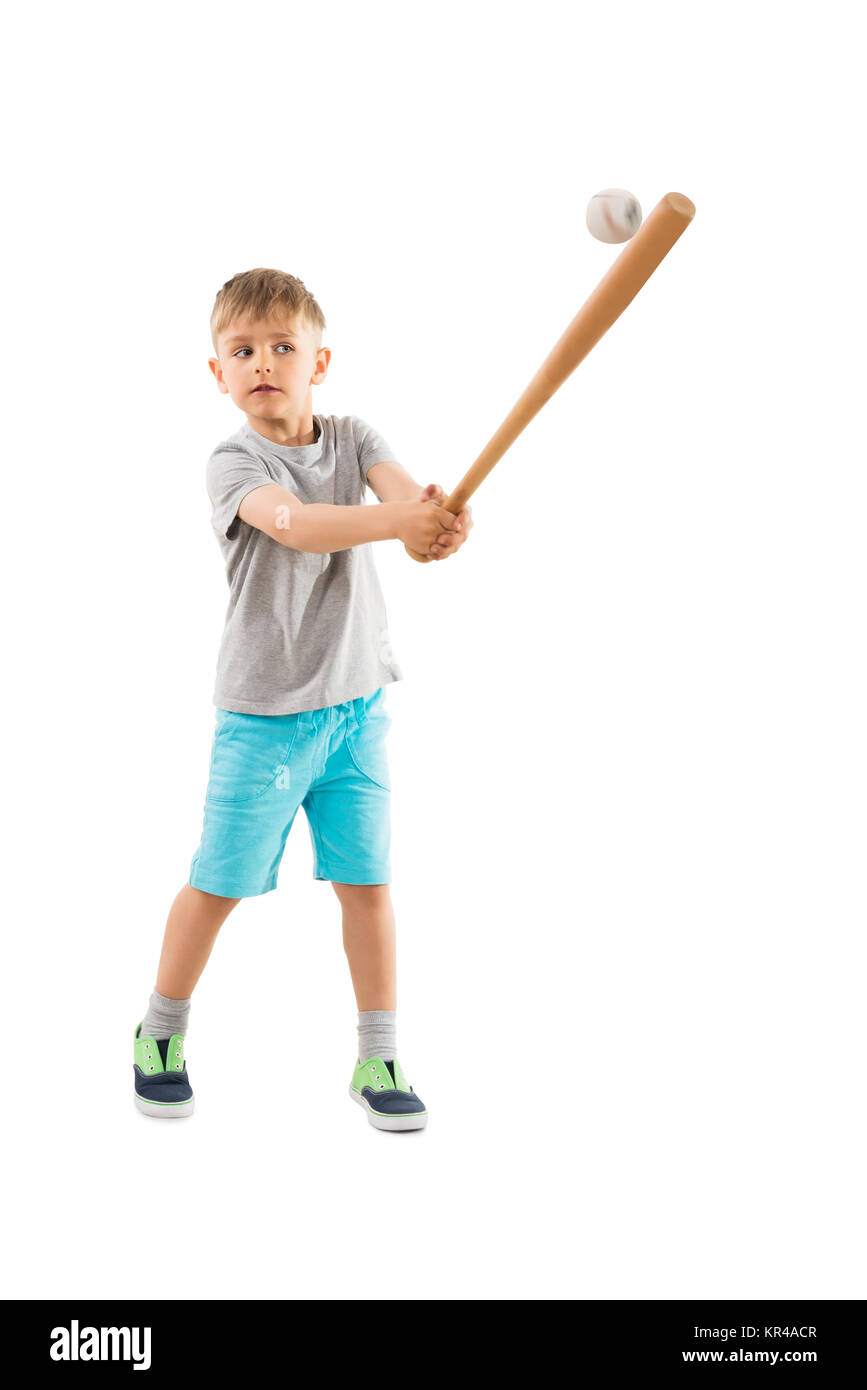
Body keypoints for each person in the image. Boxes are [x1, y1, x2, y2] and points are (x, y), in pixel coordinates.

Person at [132, 267, 473, 1130]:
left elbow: (402, 499)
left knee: (367, 883)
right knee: (220, 884)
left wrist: (432, 523)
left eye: (284, 346)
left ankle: (378, 1053)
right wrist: (398, 527)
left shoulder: (354, 436)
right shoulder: (234, 460)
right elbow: (296, 524)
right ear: (217, 372)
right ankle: (160, 1031)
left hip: (357, 709)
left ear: (320, 361)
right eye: (242, 350)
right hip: (265, 719)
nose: (263, 362)